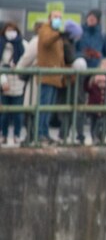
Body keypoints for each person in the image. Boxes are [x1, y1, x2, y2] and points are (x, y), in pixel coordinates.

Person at [35, 10, 68, 144]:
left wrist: (64, 72)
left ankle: (45, 133)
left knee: (49, 108)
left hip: (56, 77)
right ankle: (40, 133)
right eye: (55, 17)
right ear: (49, 18)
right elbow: (46, 41)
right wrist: (59, 34)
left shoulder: (56, 34)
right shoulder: (45, 30)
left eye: (60, 17)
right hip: (47, 76)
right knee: (44, 106)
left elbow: (60, 56)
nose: (58, 20)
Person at [1, 22, 26, 144]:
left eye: (13, 30)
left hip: (18, 82)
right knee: (4, 113)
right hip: (4, 84)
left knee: (17, 113)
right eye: (8, 30)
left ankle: (17, 134)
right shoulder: (1, 45)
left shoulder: (23, 44)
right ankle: (3, 135)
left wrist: (19, 68)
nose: (10, 32)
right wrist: (3, 81)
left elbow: (27, 61)